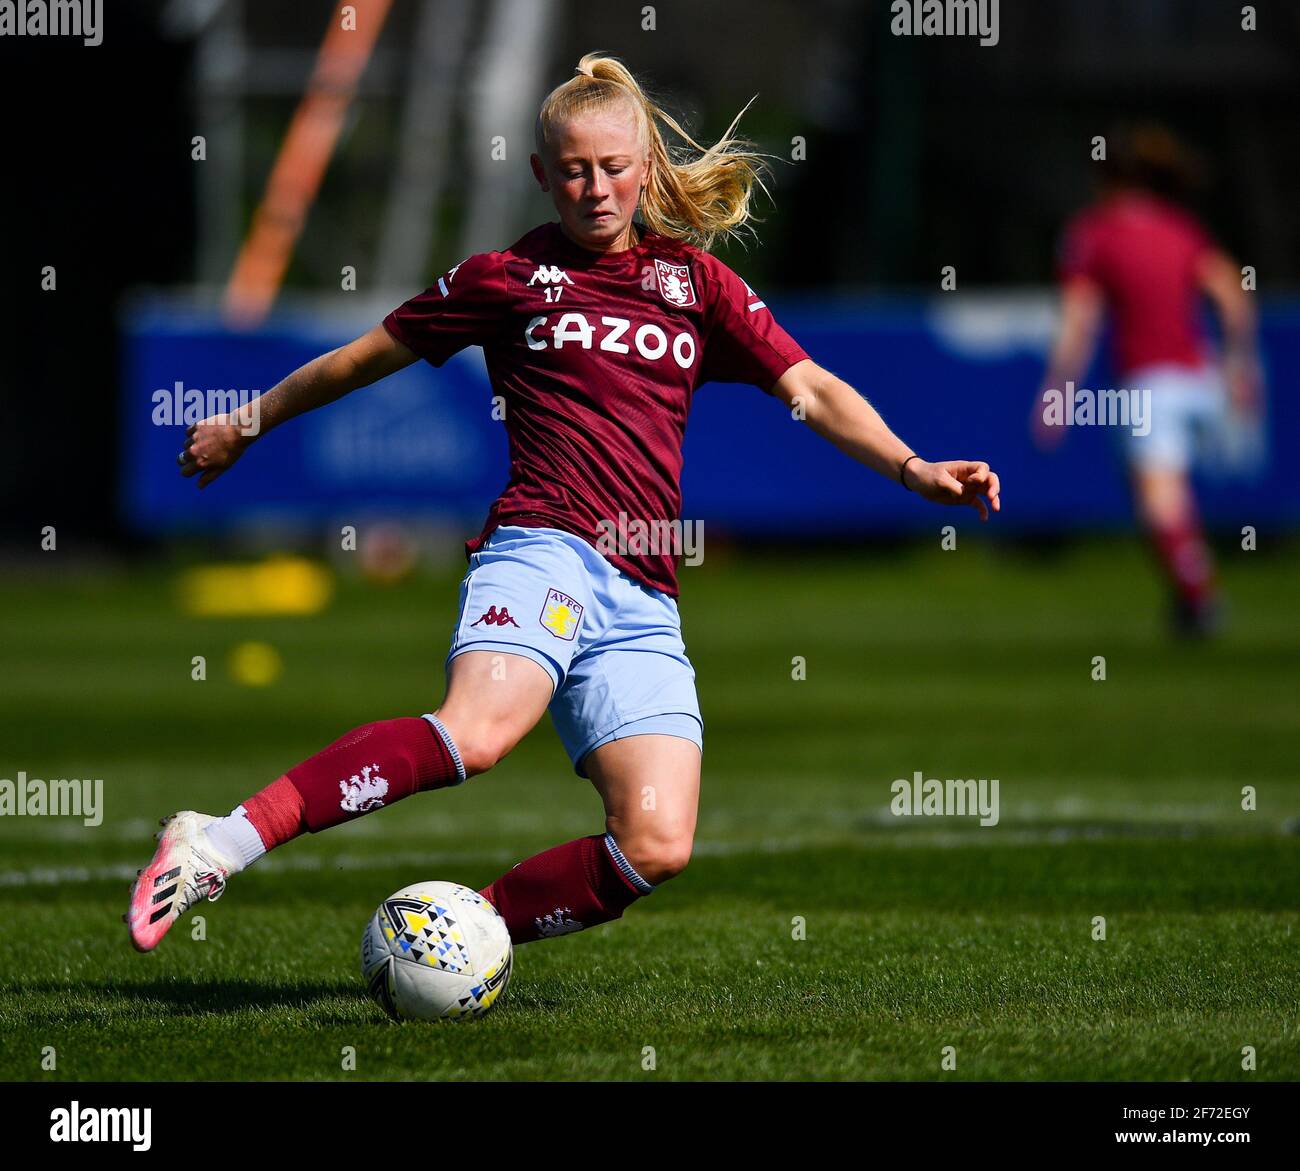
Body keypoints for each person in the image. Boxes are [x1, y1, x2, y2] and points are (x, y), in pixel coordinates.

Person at [127, 53, 1000, 953]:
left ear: (648, 167)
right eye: (574, 169)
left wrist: (912, 466)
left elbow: (810, 388)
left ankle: (468, 932)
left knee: (658, 842)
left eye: (615, 166)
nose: (595, 187)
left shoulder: (698, 286)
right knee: (476, 733)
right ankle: (219, 841)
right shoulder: (503, 278)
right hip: (542, 546)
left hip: (645, 595)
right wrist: (249, 420)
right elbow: (362, 357)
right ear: (542, 173)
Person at [1035, 124, 1262, 636]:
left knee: (1158, 502)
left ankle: (1200, 598)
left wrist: (1057, 394)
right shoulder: (1181, 228)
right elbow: (1231, 295)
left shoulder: (1092, 234)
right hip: (1201, 379)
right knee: (1170, 496)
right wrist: (1240, 366)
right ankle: (1191, 599)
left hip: (1148, 389)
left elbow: (1079, 322)